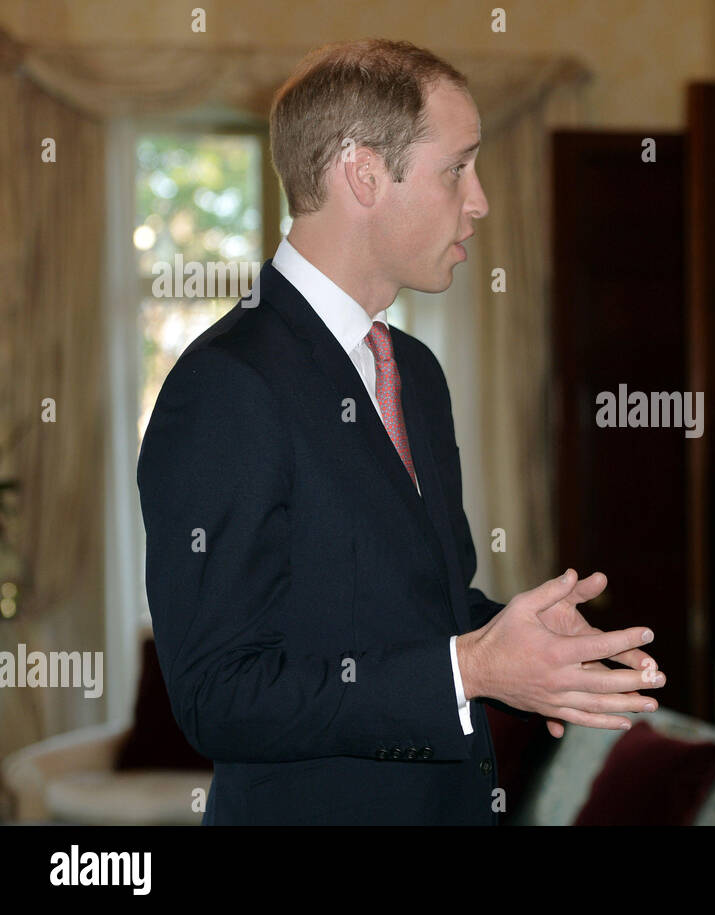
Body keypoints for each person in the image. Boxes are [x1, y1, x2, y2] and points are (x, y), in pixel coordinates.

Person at [137, 39, 664, 826]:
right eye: (458, 168)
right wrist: (470, 668)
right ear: (364, 175)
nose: (479, 200)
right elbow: (220, 696)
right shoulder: (226, 386)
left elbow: (411, 612)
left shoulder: (413, 369)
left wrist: (515, 640)